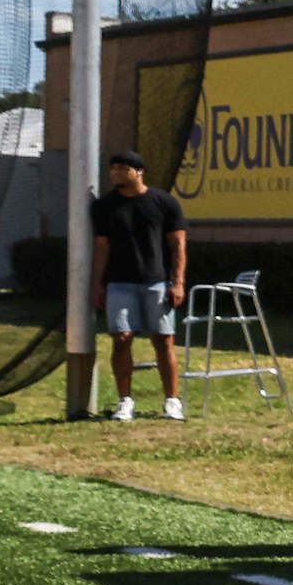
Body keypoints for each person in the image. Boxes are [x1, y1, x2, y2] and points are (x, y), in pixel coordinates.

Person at [89, 150, 189, 422]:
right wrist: (97, 284)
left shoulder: (163, 202)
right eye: (113, 169)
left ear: (139, 171)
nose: (116, 174)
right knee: (121, 338)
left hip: (157, 281)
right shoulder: (104, 206)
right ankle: (125, 401)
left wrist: (178, 282)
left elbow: (178, 244)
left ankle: (172, 401)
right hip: (119, 283)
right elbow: (102, 247)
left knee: (163, 340)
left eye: (123, 169)